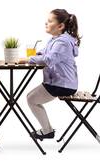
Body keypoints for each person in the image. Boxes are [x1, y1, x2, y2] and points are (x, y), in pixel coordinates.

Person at [25, 8, 80, 142]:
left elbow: (49, 59)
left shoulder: (62, 42)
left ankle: (47, 131)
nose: (46, 23)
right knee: (31, 97)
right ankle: (47, 130)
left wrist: (27, 59)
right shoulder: (56, 39)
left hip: (62, 85)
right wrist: (36, 55)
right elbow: (45, 52)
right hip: (59, 82)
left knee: (31, 99)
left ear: (60, 26)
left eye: (50, 21)